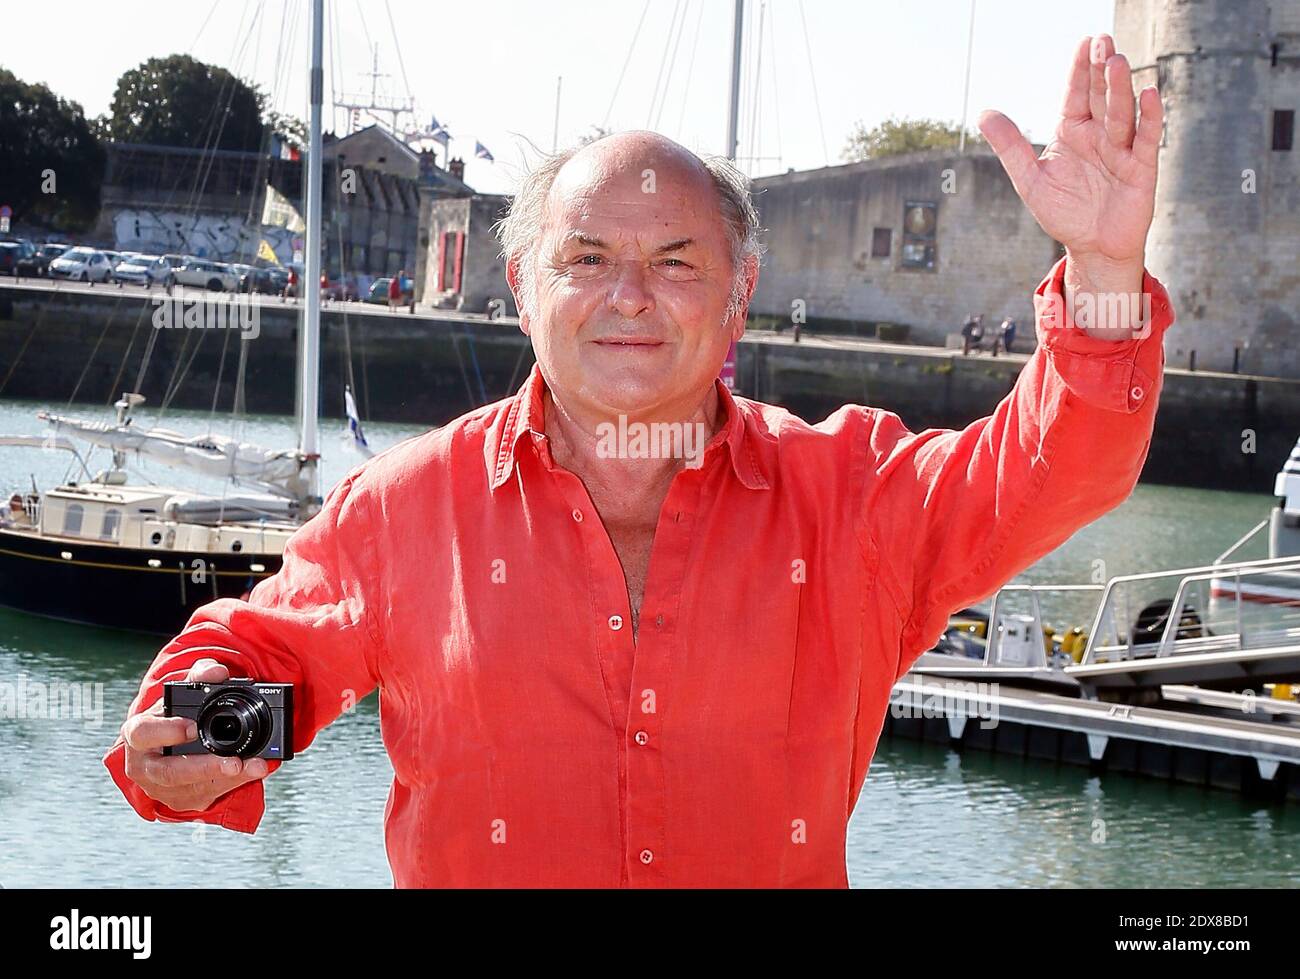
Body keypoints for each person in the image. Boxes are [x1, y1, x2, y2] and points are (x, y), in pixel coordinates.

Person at [105, 34, 1172, 888]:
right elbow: (272, 657)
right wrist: (195, 732)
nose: (629, 296)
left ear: (739, 298)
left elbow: (1058, 467)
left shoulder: (855, 496)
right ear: (523, 289)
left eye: (674, 263)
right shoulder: (401, 509)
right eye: (588, 260)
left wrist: (1105, 265)